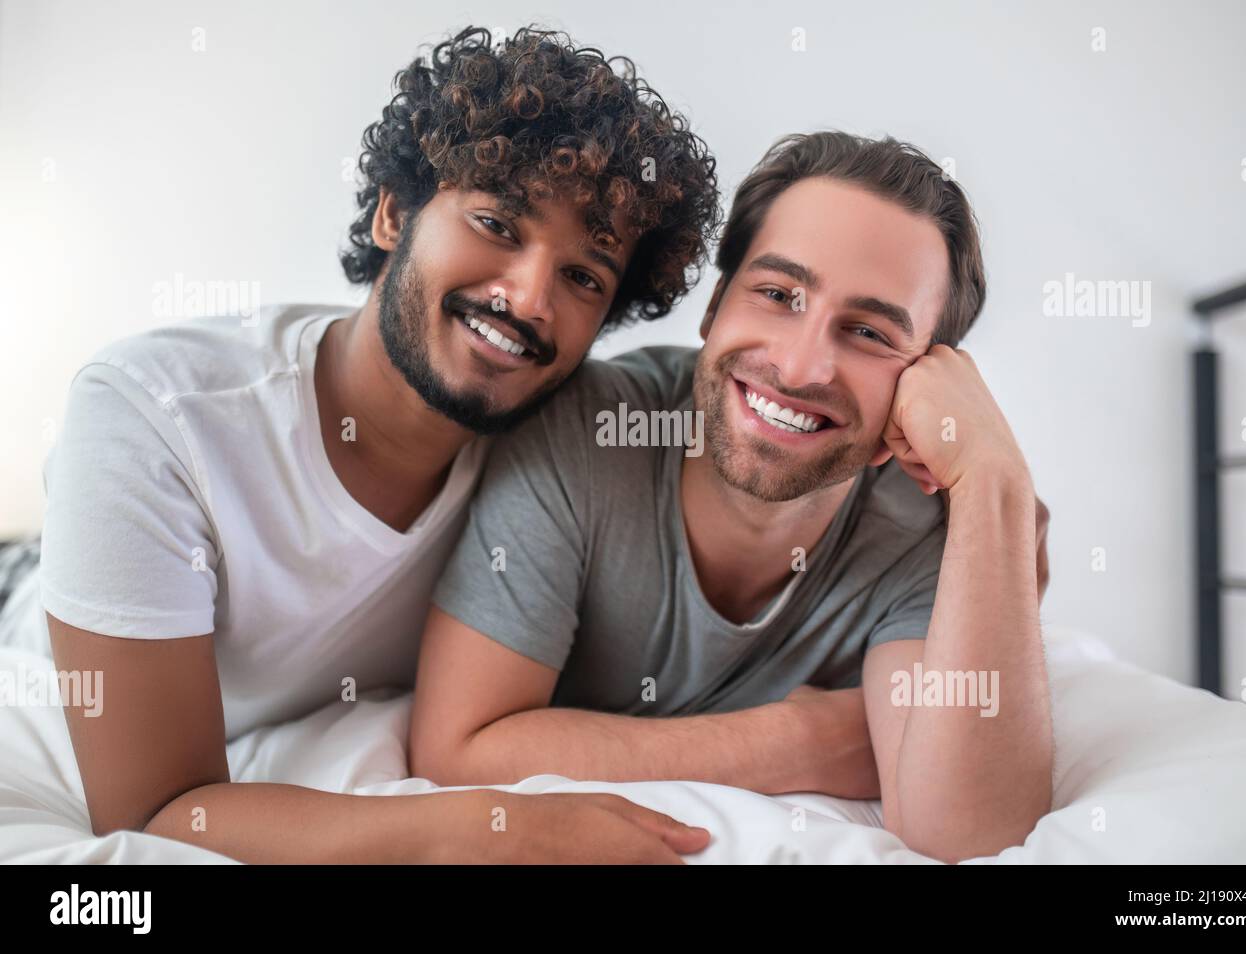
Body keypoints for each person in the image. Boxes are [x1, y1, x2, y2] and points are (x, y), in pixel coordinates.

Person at [0, 25, 723, 864]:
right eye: (496, 222)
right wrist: (491, 827)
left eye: (584, 277)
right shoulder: (153, 414)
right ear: (393, 212)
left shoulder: (566, 446)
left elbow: (744, 400)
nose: (529, 298)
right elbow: (159, 816)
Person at [408, 131, 1055, 864]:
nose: (799, 365)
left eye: (869, 332)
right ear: (715, 308)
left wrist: (995, 480)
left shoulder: (922, 521)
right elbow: (455, 752)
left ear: (928, 377)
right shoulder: (584, 431)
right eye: (778, 295)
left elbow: (965, 833)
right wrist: (801, 741)